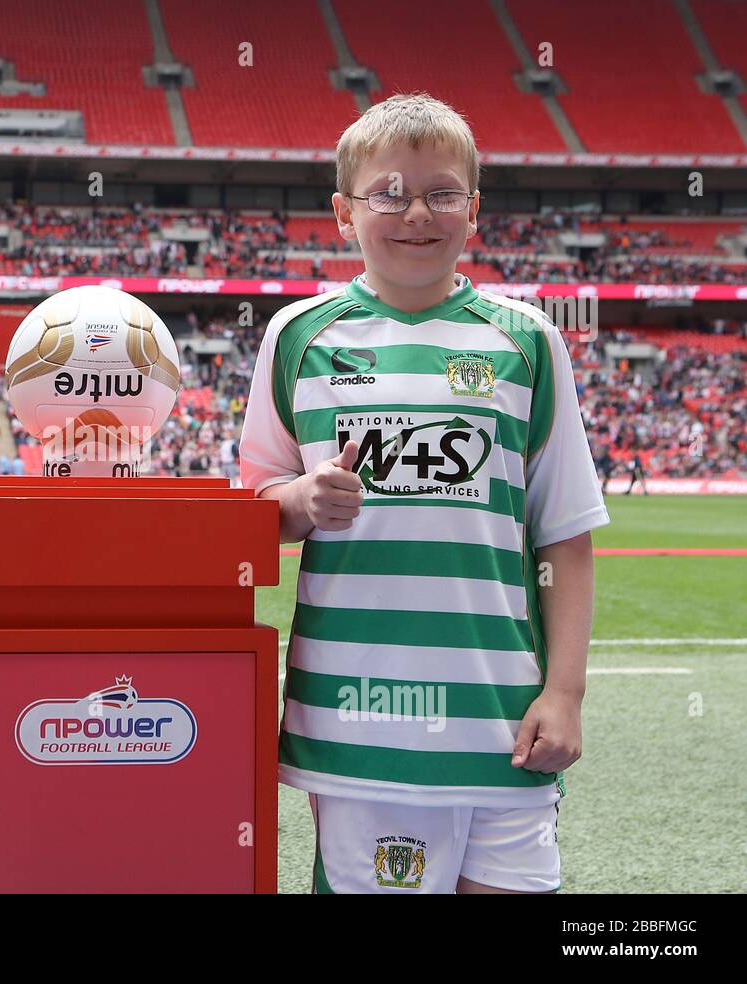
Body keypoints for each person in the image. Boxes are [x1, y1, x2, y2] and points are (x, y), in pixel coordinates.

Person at [240, 94, 609, 894]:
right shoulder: (298, 336)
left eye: (442, 192)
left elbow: (566, 540)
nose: (415, 212)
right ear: (344, 212)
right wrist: (302, 501)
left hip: (504, 720)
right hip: (356, 715)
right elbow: (253, 514)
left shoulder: (527, 340)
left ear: (473, 210)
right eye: (388, 193)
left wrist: (566, 692)